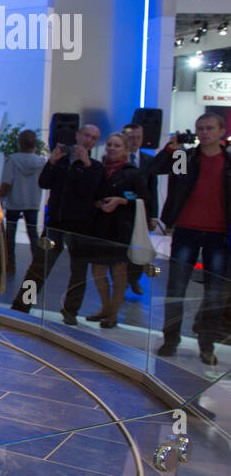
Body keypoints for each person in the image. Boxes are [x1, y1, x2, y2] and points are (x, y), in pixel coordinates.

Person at [149, 112, 231, 365]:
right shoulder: (185, 159)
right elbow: (153, 170)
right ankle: (171, 339)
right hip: (186, 230)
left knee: (214, 292)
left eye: (209, 128)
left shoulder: (228, 163)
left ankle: (207, 345)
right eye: (200, 128)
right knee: (176, 288)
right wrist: (169, 150)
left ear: (221, 131)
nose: (204, 133)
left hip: (219, 234)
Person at [10, 123, 101, 317]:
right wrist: (52, 161)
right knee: (38, 268)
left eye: (93, 138)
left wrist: (86, 165)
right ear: (77, 135)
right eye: (86, 135)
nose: (88, 140)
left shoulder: (95, 168)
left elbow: (91, 192)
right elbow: (44, 182)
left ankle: (70, 312)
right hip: (55, 225)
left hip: (80, 228)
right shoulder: (60, 162)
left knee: (78, 273)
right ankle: (22, 306)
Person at [83, 133, 156, 328]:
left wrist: (122, 201)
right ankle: (105, 308)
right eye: (109, 144)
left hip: (120, 227)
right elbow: (88, 194)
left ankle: (113, 314)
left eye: (117, 145)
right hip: (99, 226)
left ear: (125, 149)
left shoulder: (133, 172)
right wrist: (98, 204)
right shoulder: (97, 169)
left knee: (118, 270)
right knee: (97, 270)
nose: (112, 148)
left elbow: (145, 199)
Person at [0, 129, 46, 283]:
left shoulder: (12, 160)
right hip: (33, 202)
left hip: (15, 202)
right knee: (33, 233)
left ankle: (10, 264)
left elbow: (7, 182)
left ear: (20, 142)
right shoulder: (41, 162)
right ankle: (36, 264)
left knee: (10, 234)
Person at [122, 122, 160, 295]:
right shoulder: (116, 158)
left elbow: (153, 190)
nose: (135, 141)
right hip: (120, 212)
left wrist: (153, 216)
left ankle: (134, 279)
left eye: (138, 137)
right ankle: (121, 283)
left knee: (139, 248)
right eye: (131, 137)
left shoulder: (149, 161)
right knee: (120, 250)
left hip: (141, 212)